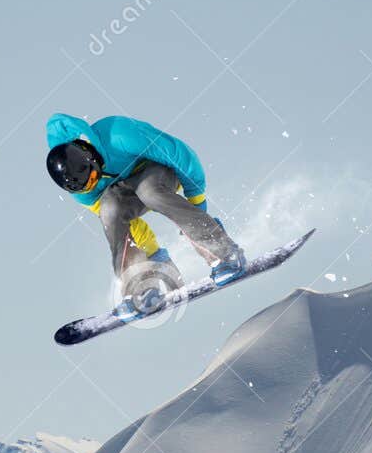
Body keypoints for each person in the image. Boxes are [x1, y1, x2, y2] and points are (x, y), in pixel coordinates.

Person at [45, 113, 246, 314]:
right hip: (125, 189)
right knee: (109, 210)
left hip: (160, 172)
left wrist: (198, 206)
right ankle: (140, 287)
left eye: (94, 177)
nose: (94, 184)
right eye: (87, 186)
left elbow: (180, 154)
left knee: (149, 192)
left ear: (90, 157)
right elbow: (122, 224)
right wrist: (154, 257)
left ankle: (223, 252)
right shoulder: (83, 192)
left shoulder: (118, 135)